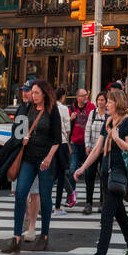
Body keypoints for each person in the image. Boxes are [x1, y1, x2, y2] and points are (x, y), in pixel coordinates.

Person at [79, 88, 128, 255]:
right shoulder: (109, 122)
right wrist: (82, 168)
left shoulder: (127, 123)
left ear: (118, 104)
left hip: (119, 175)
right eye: (106, 101)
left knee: (106, 218)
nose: (106, 104)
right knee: (120, 215)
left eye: (110, 102)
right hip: (107, 175)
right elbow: (98, 149)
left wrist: (117, 139)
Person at [1, 78, 61, 254]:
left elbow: (58, 138)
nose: (32, 96)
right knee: (20, 193)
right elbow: (18, 132)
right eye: (31, 93)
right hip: (28, 157)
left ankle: (44, 235)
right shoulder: (28, 109)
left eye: (36, 93)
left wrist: (49, 156)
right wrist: (23, 138)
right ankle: (16, 237)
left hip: (44, 158)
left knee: (44, 196)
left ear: (44, 93)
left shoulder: (52, 111)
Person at [83, 92, 108, 213]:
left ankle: (103, 202)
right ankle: (89, 203)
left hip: (104, 151)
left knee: (104, 177)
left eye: (102, 100)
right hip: (93, 149)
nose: (100, 102)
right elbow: (87, 130)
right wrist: (87, 145)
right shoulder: (92, 113)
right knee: (90, 176)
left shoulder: (109, 115)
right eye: (99, 100)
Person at [68, 88, 94, 202]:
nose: (85, 98)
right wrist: (70, 119)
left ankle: (89, 199)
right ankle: (71, 195)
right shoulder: (71, 108)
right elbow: (65, 125)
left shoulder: (92, 107)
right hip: (75, 142)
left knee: (88, 171)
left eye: (86, 95)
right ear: (77, 97)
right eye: (83, 96)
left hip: (87, 144)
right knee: (73, 168)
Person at [53, 87, 72, 216]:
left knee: (48, 174)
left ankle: (42, 203)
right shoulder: (64, 109)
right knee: (61, 174)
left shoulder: (50, 107)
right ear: (63, 96)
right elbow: (67, 128)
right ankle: (57, 206)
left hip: (50, 144)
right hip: (62, 143)